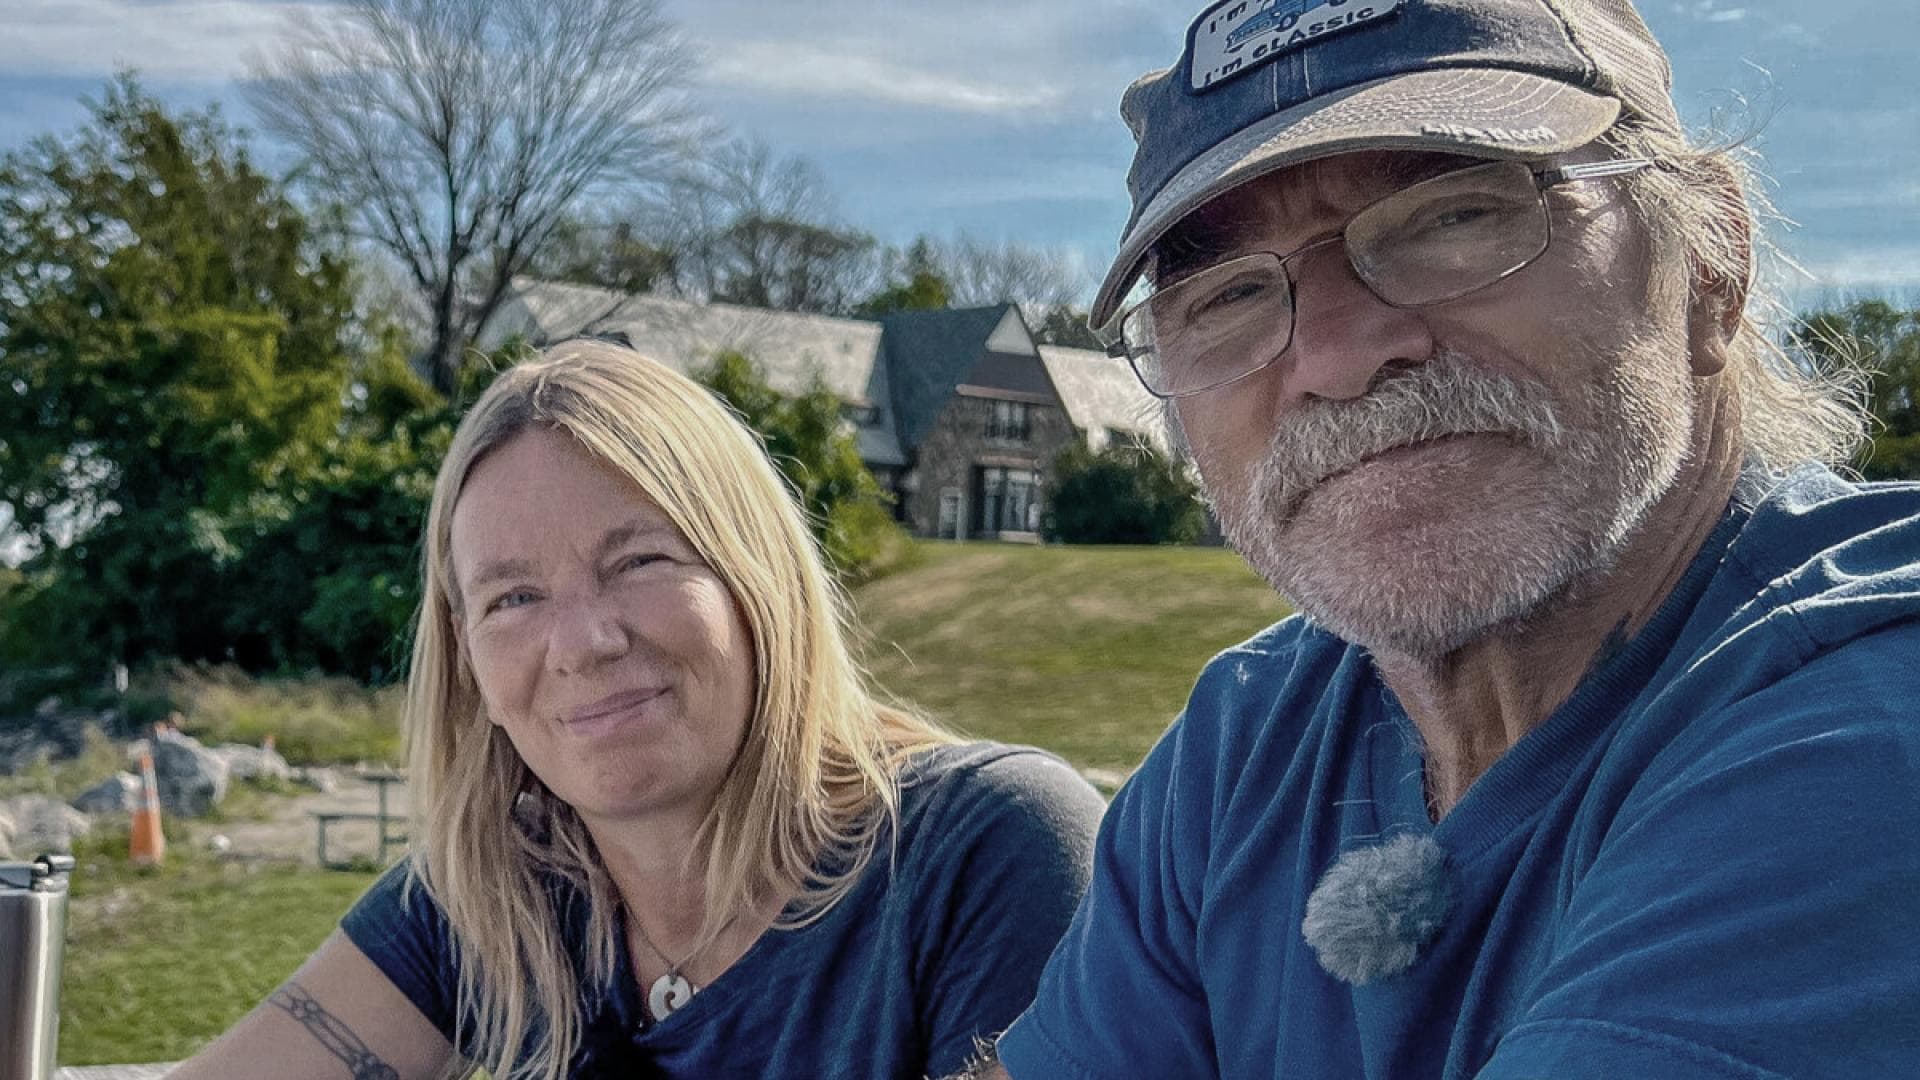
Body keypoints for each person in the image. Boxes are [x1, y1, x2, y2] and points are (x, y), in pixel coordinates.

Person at [956, 1, 1920, 1078]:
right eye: (1224, 293)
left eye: (1453, 214)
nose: (1333, 354)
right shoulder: (1245, 744)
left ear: (1710, 265)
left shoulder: (1872, 722)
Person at [171, 340, 1105, 1080]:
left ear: (757, 583)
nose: (581, 643)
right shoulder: (499, 896)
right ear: (468, 664)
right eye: (512, 599)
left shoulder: (986, 851)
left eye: (639, 561)